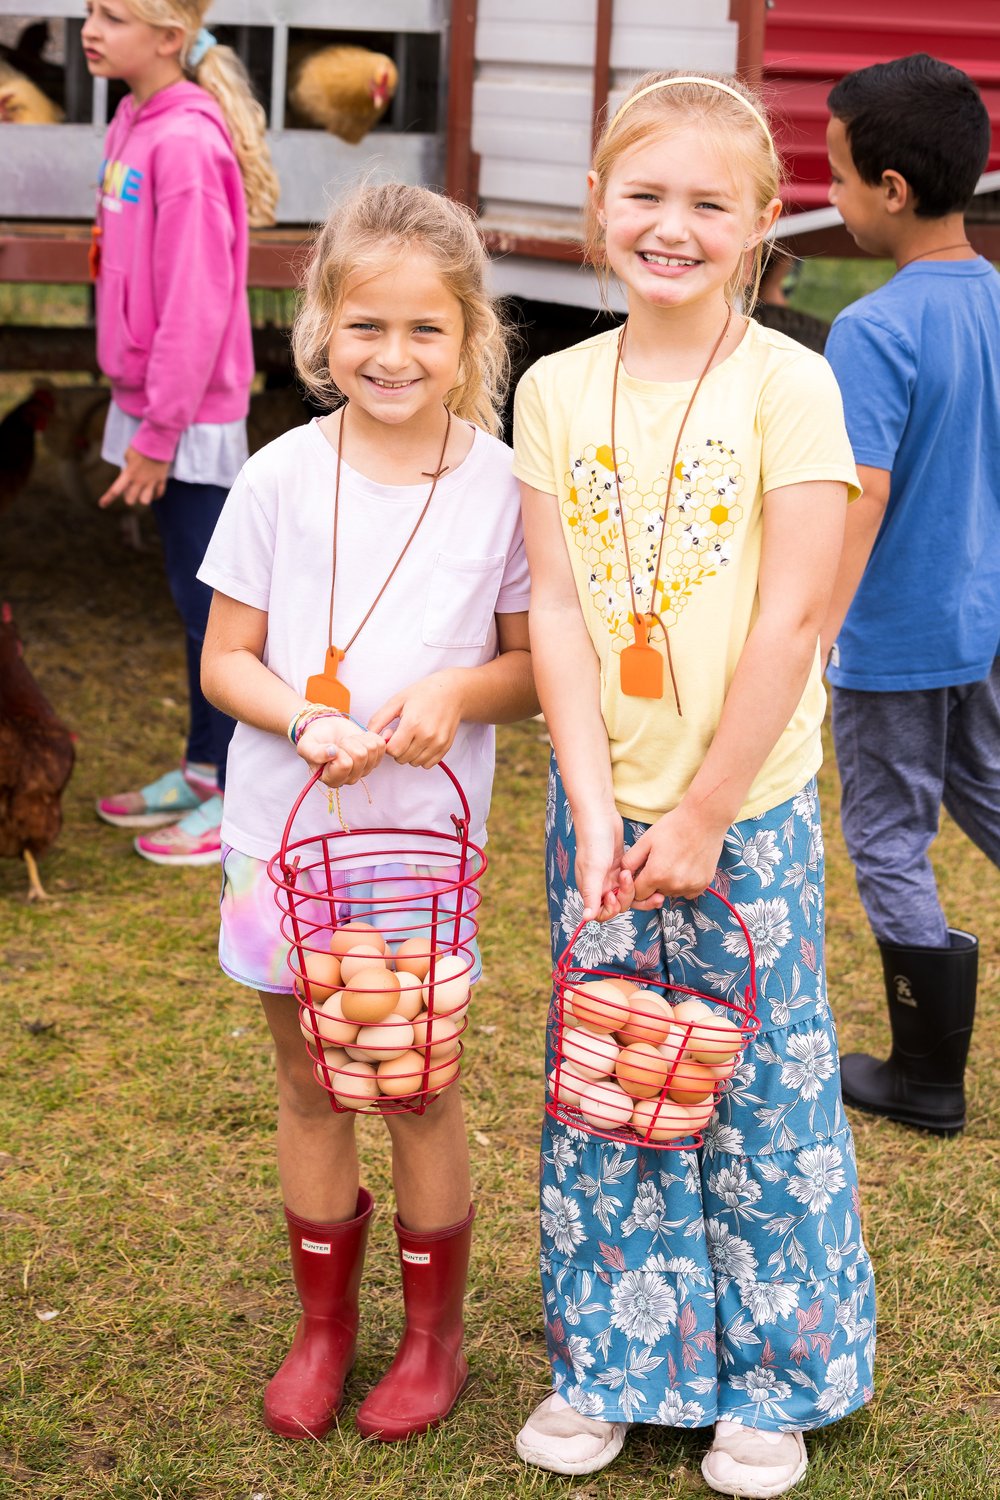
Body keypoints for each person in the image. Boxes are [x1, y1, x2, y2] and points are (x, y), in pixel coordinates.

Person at [513, 71, 876, 1497]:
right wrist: (598, 807)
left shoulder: (796, 380)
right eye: (643, 195)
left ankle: (776, 1382)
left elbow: (794, 618)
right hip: (600, 807)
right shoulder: (550, 385)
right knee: (609, 1077)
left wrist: (711, 813)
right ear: (598, 206)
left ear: (760, 228)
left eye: (706, 204)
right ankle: (614, 1363)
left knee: (758, 1090)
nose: (670, 227)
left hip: (752, 806)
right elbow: (551, 605)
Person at [198, 182, 535, 1442]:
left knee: (415, 1082)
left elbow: (528, 668)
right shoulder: (279, 476)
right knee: (308, 1077)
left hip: (418, 854)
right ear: (321, 327)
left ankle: (433, 1333)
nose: (393, 358)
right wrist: (305, 717)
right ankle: (323, 1324)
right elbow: (226, 662)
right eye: (365, 328)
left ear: (471, 335)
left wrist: (457, 689)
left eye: (425, 332)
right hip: (279, 840)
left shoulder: (504, 486)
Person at [820, 55, 999, 1138]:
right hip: (978, 621)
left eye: (836, 177)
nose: (828, 199)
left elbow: (861, 496)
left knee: (887, 833)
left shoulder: (871, 330)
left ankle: (926, 1077)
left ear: (889, 188)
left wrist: (813, 635)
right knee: (984, 788)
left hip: (891, 635)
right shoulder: (994, 302)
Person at [85, 0, 278, 866]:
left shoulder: (188, 146)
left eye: (113, 15)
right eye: (88, 10)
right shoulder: (134, 119)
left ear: (169, 38)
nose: (89, 28)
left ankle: (241, 793)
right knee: (185, 595)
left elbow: (198, 307)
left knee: (216, 612)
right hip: (153, 399)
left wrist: (159, 433)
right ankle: (205, 767)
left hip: (188, 413)